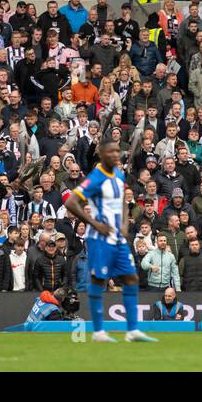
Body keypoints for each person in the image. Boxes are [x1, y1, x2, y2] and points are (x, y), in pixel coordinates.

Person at [63, 138, 157, 342]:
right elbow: (71, 202)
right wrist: (94, 223)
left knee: (131, 278)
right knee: (99, 279)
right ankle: (98, 332)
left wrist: (124, 225)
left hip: (117, 237)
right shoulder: (95, 178)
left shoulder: (118, 174)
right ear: (101, 154)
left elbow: (122, 200)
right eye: (111, 151)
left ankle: (132, 331)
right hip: (99, 238)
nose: (116, 154)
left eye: (117, 151)